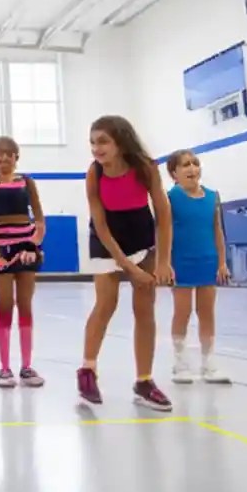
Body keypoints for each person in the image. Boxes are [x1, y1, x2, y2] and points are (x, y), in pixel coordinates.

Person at [77, 115, 175, 411]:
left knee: (144, 309)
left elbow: (164, 216)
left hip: (141, 238)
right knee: (105, 304)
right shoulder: (94, 173)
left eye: (103, 141)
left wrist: (163, 261)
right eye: (93, 142)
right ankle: (88, 370)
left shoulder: (145, 167)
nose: (96, 148)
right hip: (107, 240)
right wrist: (128, 267)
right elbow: (101, 224)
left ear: (121, 141)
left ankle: (144, 381)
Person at [0, 136, 46, 388]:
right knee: (5, 304)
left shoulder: (27, 182)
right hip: (0, 251)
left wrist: (35, 241)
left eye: (8, 154)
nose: (3, 159)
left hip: (26, 248)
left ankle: (26, 365)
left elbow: (38, 215)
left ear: (16, 157)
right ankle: (5, 368)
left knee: (25, 304)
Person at [166, 149, 231, 384]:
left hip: (208, 260)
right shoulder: (170, 198)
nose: (192, 168)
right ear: (174, 173)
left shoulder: (213, 197)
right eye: (185, 165)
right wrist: (165, 263)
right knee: (182, 312)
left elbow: (217, 230)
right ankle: (180, 362)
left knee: (207, 313)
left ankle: (208, 362)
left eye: (195, 163)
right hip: (181, 261)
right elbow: (164, 232)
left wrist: (222, 262)